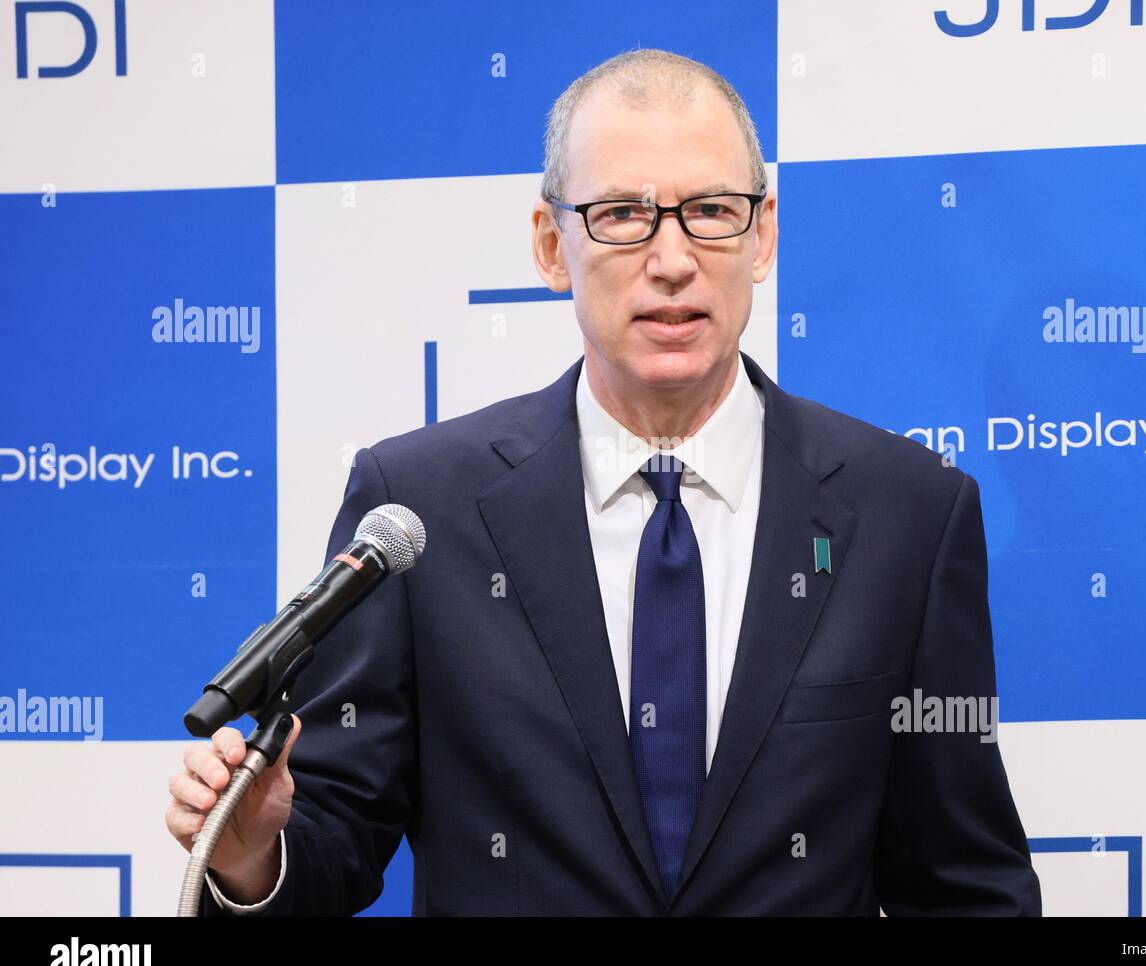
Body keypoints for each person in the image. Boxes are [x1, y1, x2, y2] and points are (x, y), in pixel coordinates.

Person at [165, 48, 1041, 916]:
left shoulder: (909, 514)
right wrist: (255, 856)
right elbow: (335, 832)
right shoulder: (418, 505)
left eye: (710, 210)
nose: (671, 258)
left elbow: (963, 883)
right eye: (623, 213)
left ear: (763, 233)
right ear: (553, 246)